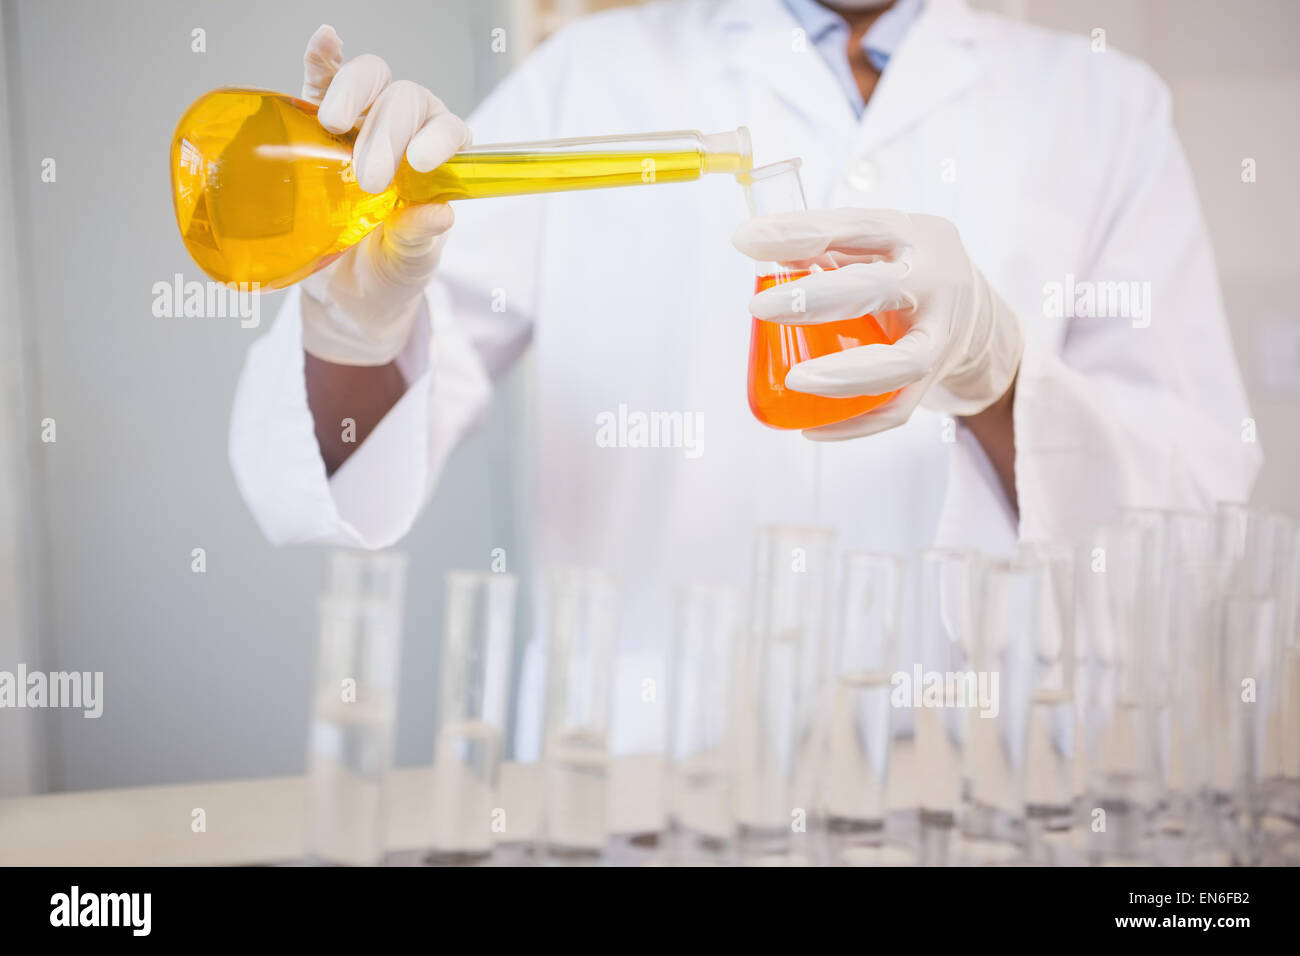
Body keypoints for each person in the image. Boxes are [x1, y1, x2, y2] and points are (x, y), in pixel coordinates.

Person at [229, 0, 1259, 751]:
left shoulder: (1100, 104)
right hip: (641, 772)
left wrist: (997, 374)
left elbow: (1191, 519)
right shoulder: (587, 73)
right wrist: (353, 324)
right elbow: (338, 458)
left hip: (985, 780)